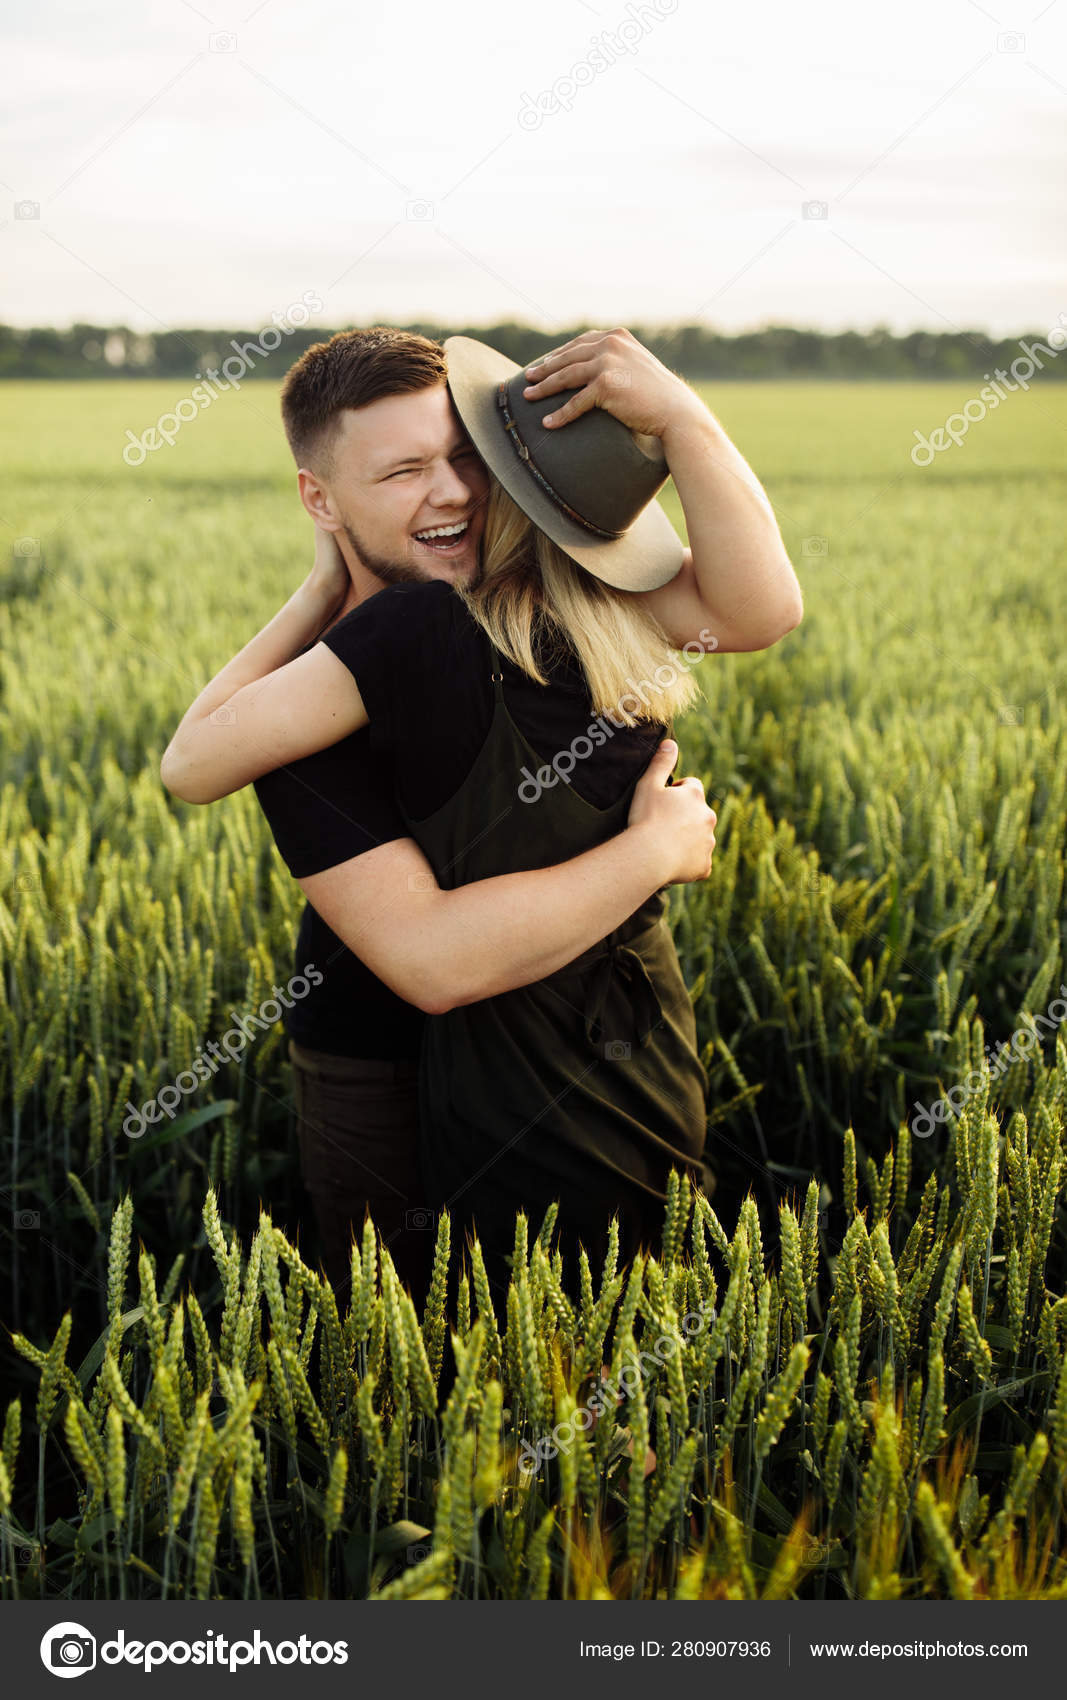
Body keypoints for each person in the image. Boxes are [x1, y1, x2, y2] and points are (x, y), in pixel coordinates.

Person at [163, 325, 801, 1296]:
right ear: (320, 497)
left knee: (507, 1336)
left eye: (462, 456)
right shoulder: (380, 668)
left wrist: (681, 418)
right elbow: (199, 768)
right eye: (405, 470)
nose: (452, 490)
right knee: (421, 1339)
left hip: (554, 1049)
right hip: (397, 1049)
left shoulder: (547, 612)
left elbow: (758, 610)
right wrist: (650, 851)